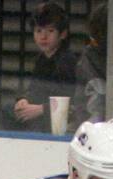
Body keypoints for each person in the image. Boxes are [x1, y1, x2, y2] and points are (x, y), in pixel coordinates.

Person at [6, 2, 77, 132]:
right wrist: (23, 100)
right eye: (39, 31)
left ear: (63, 34)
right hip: (41, 116)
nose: (43, 37)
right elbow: (34, 89)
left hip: (57, 122)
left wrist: (40, 109)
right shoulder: (41, 59)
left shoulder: (67, 61)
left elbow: (70, 101)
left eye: (50, 31)